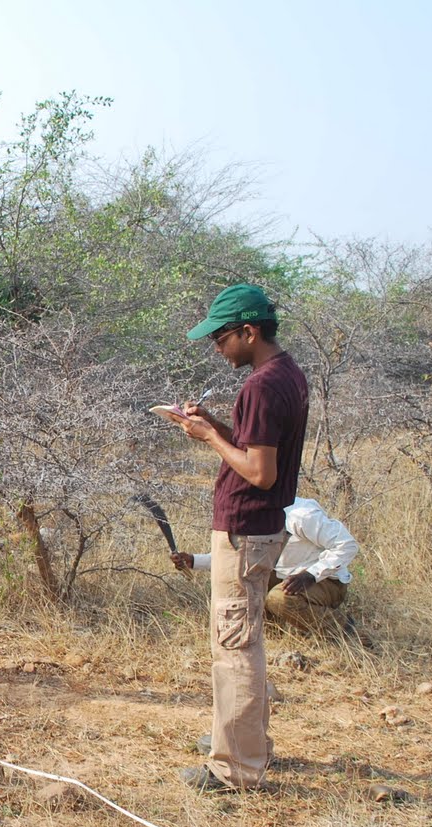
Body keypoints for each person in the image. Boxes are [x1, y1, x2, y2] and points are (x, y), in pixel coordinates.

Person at [164, 284, 309, 792]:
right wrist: (215, 426)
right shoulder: (285, 374)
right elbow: (255, 446)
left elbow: (261, 471)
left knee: (235, 646)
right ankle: (246, 744)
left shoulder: (262, 385)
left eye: (221, 337)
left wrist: (209, 438)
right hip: (261, 528)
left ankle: (236, 770)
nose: (217, 348)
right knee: (242, 640)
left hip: (246, 529)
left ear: (249, 332)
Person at [171, 496, 358, 627]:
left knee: (279, 599)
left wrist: (311, 575)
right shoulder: (252, 516)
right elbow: (238, 559)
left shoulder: (301, 514)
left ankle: (344, 629)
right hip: (285, 576)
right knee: (242, 584)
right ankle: (282, 624)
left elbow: (347, 545)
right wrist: (194, 561)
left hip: (327, 582)